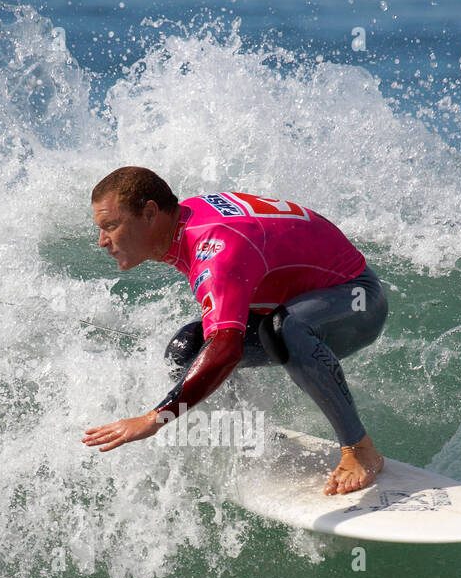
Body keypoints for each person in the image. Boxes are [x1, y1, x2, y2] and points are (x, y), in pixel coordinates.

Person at [81, 166, 388, 495]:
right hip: (302, 300)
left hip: (357, 303)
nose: (102, 241)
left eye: (111, 226)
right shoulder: (186, 222)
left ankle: (359, 449)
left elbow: (228, 350)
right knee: (185, 350)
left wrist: (156, 418)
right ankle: (251, 433)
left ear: (150, 213)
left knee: (282, 330)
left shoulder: (215, 249)